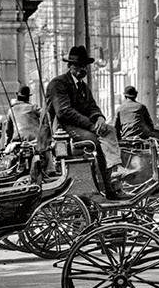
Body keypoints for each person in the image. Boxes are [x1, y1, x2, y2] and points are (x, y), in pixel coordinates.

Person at [42, 45, 115, 198]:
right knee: (94, 141)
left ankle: (115, 174)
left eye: (84, 66)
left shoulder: (83, 86)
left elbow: (92, 107)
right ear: (70, 66)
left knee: (111, 131)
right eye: (79, 66)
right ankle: (105, 187)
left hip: (81, 126)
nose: (83, 69)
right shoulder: (58, 84)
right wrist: (91, 125)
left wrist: (99, 118)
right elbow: (64, 112)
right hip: (62, 128)